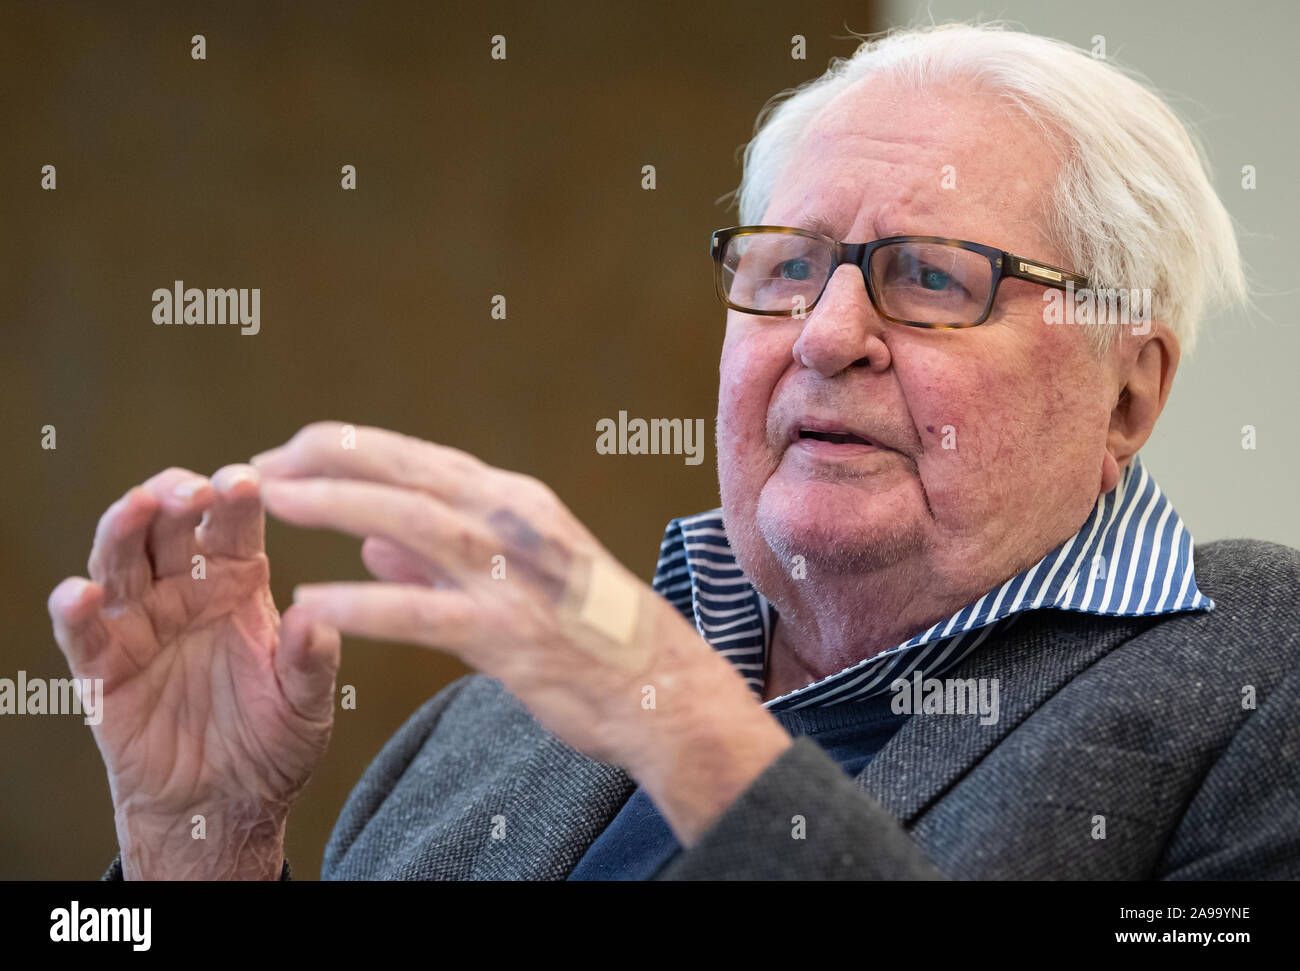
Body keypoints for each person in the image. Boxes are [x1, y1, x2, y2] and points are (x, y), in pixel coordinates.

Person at [51, 22, 1298, 880]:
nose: (826, 334)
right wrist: (198, 844)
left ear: (1127, 394)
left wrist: (695, 734)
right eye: (788, 266)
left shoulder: (1260, 672)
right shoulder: (484, 728)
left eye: (928, 277)